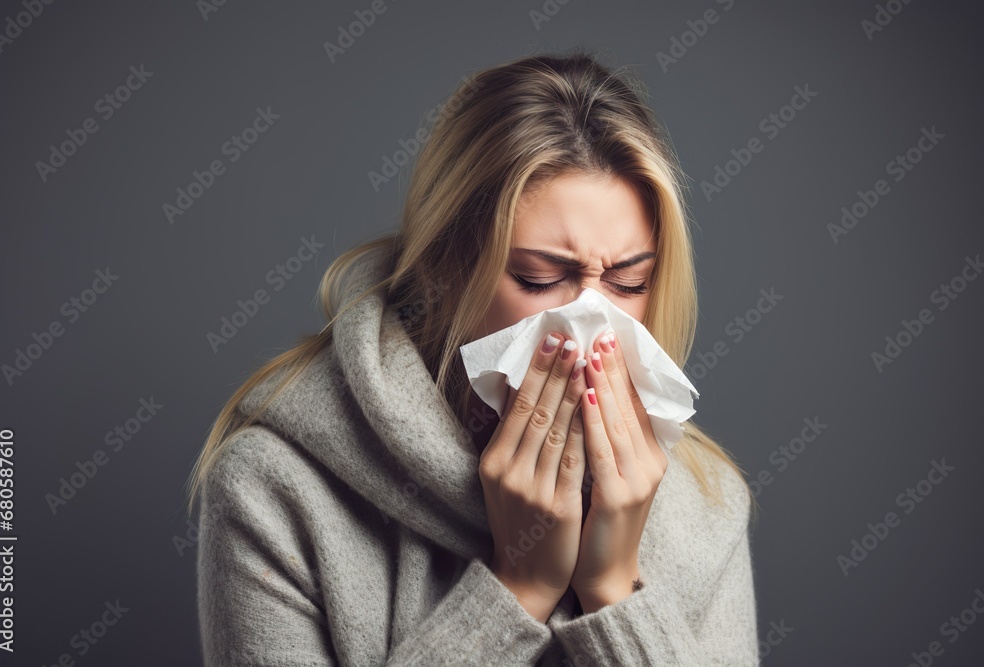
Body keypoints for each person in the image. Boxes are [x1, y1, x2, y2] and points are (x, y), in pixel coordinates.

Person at [186, 48, 761, 665]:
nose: (594, 324)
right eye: (541, 279)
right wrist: (519, 589)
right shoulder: (275, 490)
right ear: (443, 272)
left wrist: (615, 591)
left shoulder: (706, 503)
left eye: (627, 283)